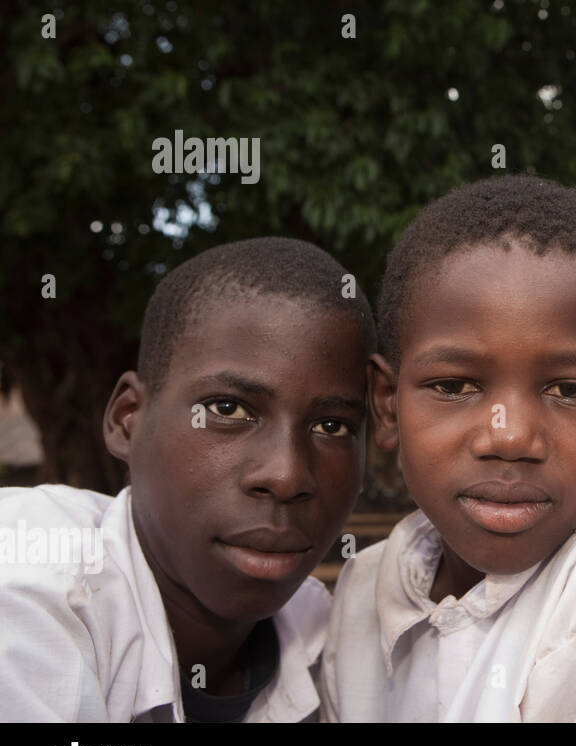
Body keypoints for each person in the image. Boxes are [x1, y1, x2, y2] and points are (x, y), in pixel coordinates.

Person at [323, 175, 576, 722]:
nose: (510, 437)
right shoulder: (364, 586)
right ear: (387, 405)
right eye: (455, 386)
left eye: (569, 390)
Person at [0, 238, 373, 721]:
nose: (285, 475)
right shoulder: (31, 583)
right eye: (227, 409)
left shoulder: (326, 634)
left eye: (332, 425)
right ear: (127, 418)